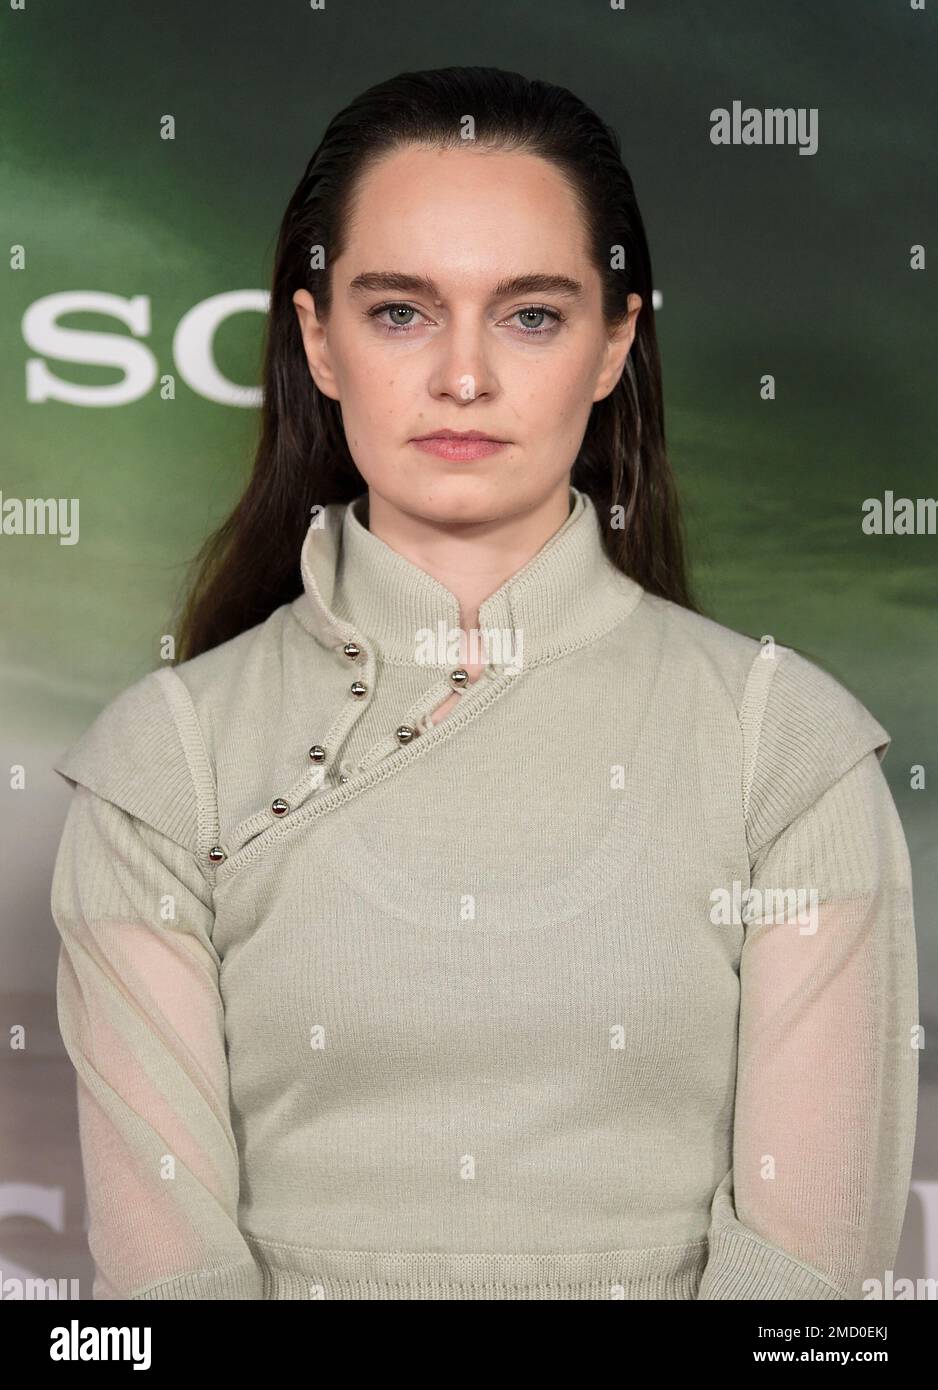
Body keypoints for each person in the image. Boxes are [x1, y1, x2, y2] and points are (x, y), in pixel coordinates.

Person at [50, 65, 918, 1301]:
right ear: (318, 341)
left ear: (614, 342)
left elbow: (801, 1290)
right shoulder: (161, 766)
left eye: (529, 314)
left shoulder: (784, 749)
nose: (463, 376)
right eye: (400, 310)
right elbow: (169, 1293)